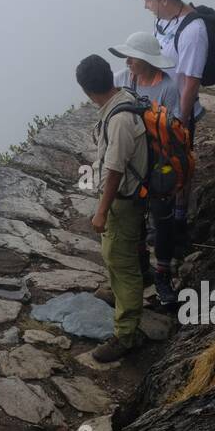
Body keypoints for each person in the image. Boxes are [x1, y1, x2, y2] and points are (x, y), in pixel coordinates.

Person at [128, 0, 206, 310]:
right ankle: (164, 232)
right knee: (155, 185)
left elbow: (190, 82)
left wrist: (180, 127)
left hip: (173, 117)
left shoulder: (194, 31)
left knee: (174, 175)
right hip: (153, 116)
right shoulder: (165, 24)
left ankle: (174, 231)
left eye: (148, 0)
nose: (145, 6)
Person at [76, 53, 149, 363]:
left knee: (120, 261)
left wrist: (102, 211)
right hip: (132, 197)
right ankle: (123, 292)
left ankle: (126, 335)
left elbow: (116, 170)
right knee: (122, 254)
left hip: (123, 201)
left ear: (86, 91)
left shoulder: (117, 120)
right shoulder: (125, 98)